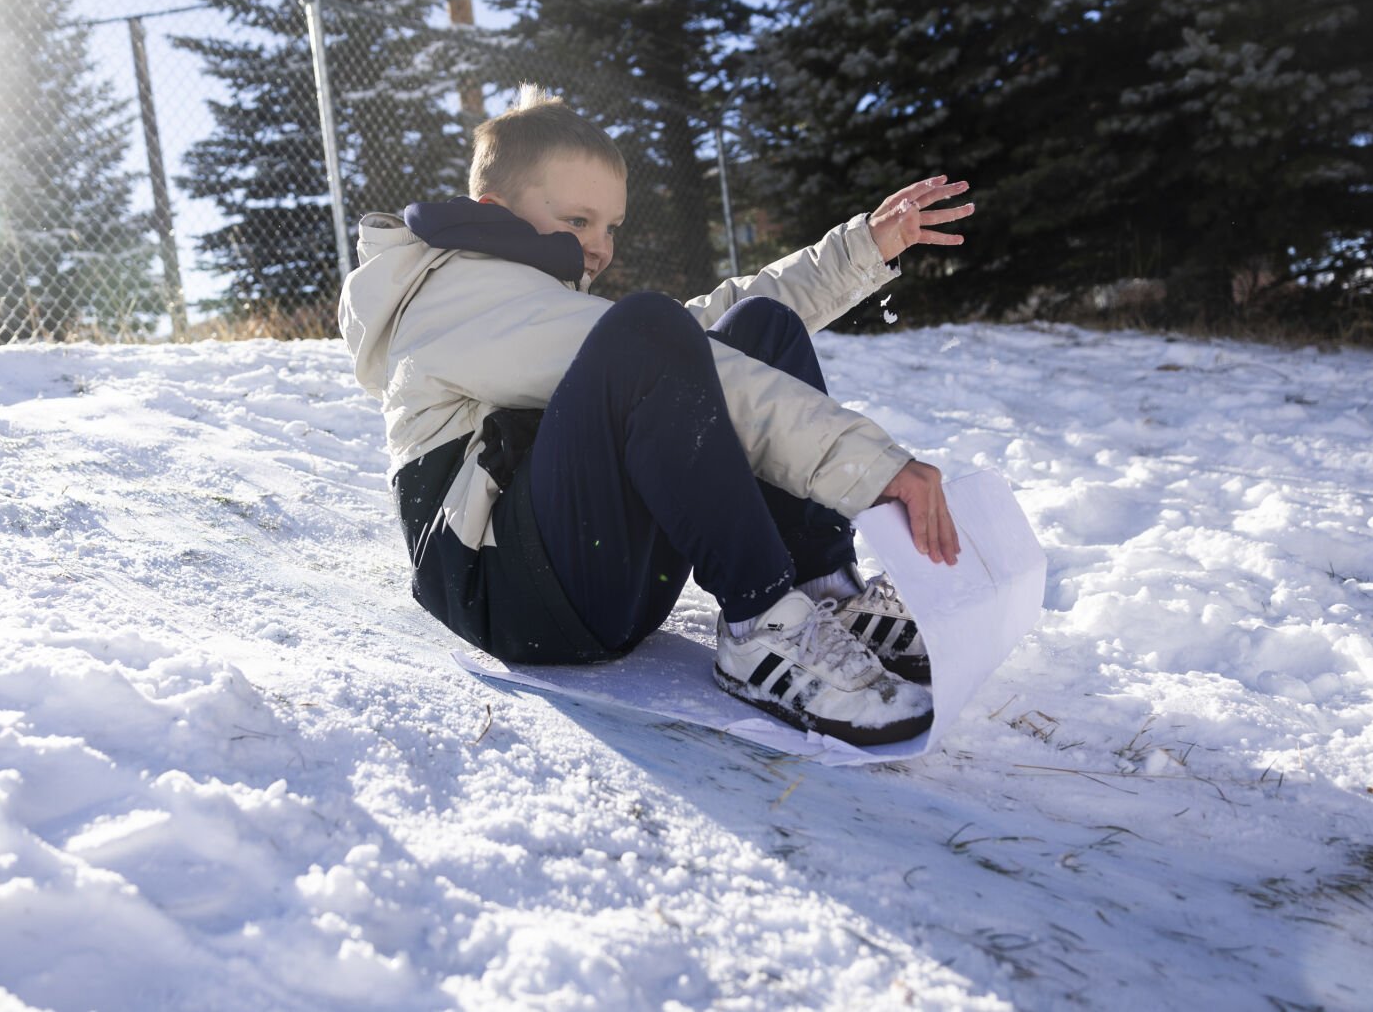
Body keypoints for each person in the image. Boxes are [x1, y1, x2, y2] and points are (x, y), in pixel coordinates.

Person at [338, 86, 974, 746]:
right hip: (511, 598)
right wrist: (870, 466)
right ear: (496, 209)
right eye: (578, 220)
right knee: (648, 331)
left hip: (579, 569)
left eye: (610, 226)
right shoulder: (459, 294)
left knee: (761, 327)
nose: (599, 246)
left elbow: (696, 342)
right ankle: (763, 627)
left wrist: (859, 250)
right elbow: (658, 348)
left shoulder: (530, 294)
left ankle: (821, 589)